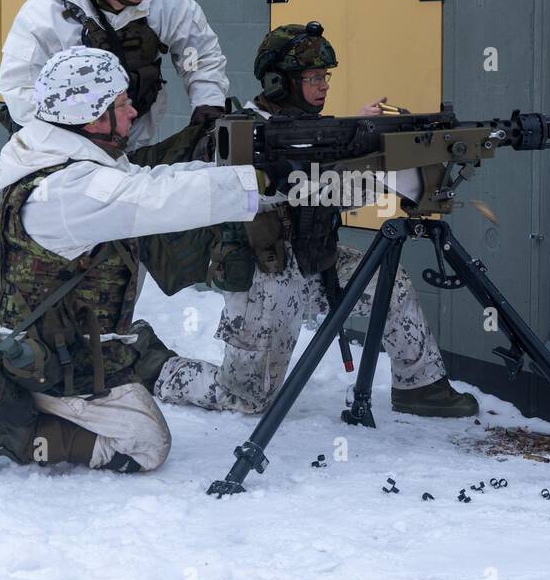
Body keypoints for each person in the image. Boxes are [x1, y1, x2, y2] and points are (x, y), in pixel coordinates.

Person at [0, 47, 282, 476]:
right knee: (146, 445)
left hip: (58, 338)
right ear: (91, 116)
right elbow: (157, 200)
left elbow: (149, 181)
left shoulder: (63, 159)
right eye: (120, 104)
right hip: (51, 360)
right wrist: (251, 185)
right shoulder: (69, 192)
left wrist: (249, 181)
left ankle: (104, 369)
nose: (133, 111)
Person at [155, 22, 479, 419]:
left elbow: (340, 196)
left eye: (325, 76)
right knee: (247, 398)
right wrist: (306, 171)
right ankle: (156, 366)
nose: (323, 86)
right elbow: (244, 189)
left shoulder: (322, 132)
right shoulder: (237, 132)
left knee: (389, 283)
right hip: (265, 278)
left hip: (316, 261)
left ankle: (421, 386)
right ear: (279, 82)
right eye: (312, 78)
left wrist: (371, 149)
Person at [0, 0, 228, 151]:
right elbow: (21, 93)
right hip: (65, 149)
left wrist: (208, 106)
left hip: (135, 138)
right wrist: (84, 149)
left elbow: (198, 57)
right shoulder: (43, 19)